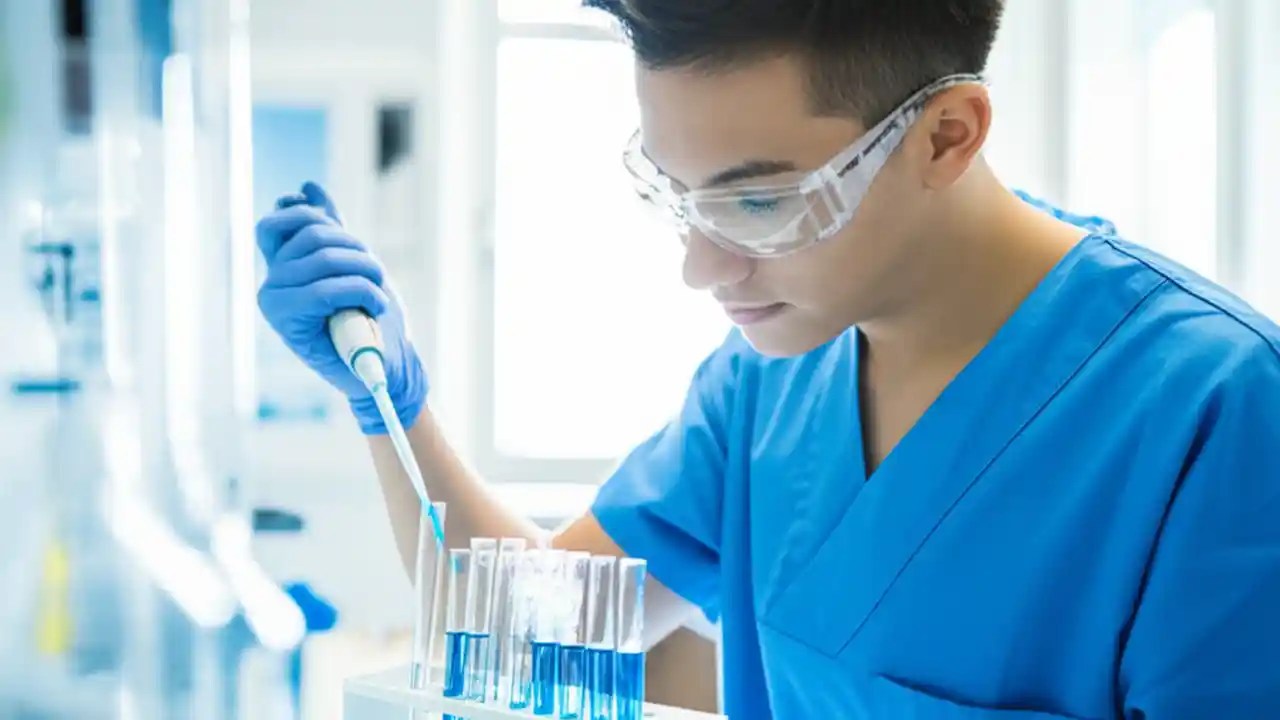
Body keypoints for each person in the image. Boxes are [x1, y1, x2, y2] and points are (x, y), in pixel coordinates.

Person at [254, 1, 1280, 717]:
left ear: (944, 137)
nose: (700, 267)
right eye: (676, 195)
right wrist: (386, 402)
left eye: (758, 202)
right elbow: (520, 630)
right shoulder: (767, 380)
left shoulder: (1214, 415)